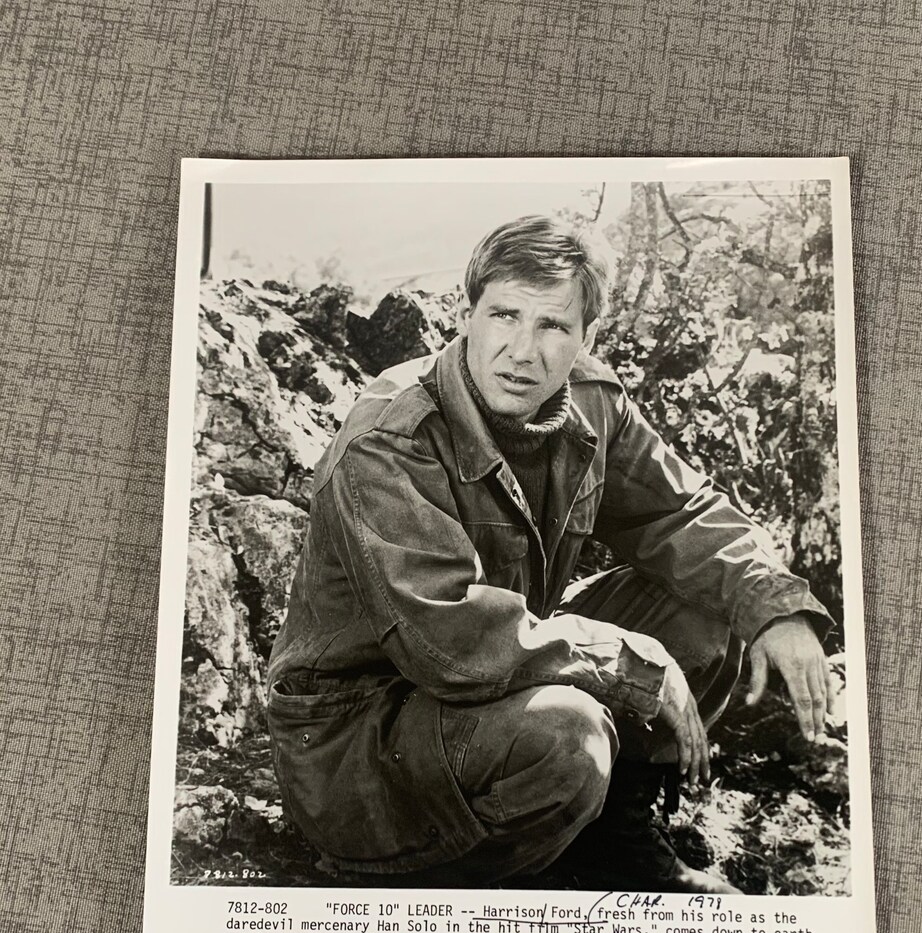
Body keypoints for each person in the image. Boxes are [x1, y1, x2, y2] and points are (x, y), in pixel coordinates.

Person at [266, 215, 832, 893]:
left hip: (491, 688)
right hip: (362, 742)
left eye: (553, 326)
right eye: (504, 315)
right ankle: (466, 886)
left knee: (711, 609)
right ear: (466, 314)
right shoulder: (390, 440)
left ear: (588, 337)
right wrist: (626, 660)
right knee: (569, 737)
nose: (522, 351)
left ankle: (612, 838)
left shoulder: (587, 403)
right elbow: (448, 638)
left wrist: (774, 607)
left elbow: (680, 512)